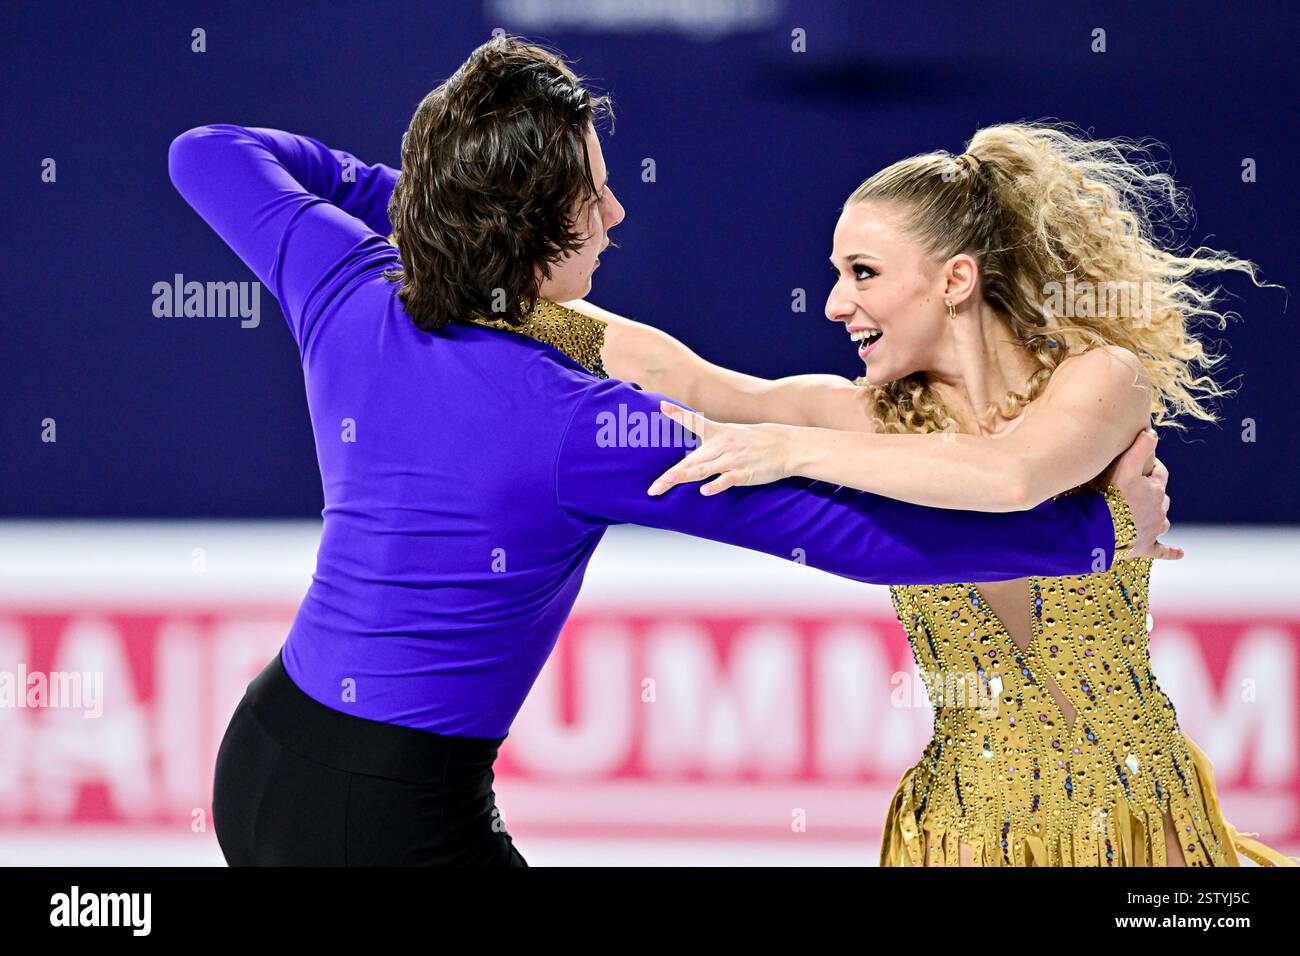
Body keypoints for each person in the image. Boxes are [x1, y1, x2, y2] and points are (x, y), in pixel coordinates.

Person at [169, 38, 1171, 866]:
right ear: (527, 225)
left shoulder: (344, 279)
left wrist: (434, 210)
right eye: (593, 198)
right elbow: (853, 541)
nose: (615, 213)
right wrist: (1098, 530)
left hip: (263, 750)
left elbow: (207, 151)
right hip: (388, 817)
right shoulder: (580, 422)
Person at [599, 121, 1297, 866]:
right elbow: (691, 382)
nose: (834, 304)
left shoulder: (1100, 379)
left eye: (862, 273)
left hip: (1143, 824)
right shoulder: (862, 419)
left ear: (955, 281)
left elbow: (1012, 476)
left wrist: (792, 448)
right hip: (962, 833)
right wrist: (497, 294)